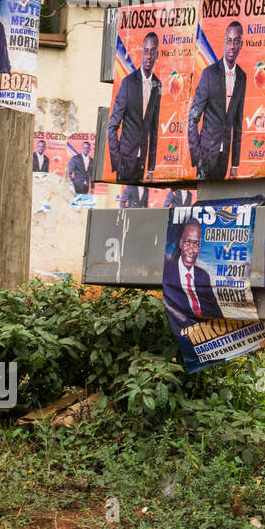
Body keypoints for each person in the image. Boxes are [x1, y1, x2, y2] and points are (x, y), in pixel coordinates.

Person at [188, 21, 247, 180]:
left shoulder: (242, 76)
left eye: (236, 41)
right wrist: (197, 156)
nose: (232, 46)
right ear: (224, 42)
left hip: (224, 159)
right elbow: (192, 118)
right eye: (229, 40)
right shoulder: (209, 74)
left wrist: (235, 164)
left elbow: (238, 124)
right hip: (205, 157)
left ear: (241, 45)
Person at [107, 32, 162, 183]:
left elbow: (154, 130)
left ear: (157, 55)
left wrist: (151, 168)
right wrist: (117, 162)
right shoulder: (128, 83)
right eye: (146, 51)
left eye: (152, 52)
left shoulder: (157, 85)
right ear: (141, 52)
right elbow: (112, 126)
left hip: (142, 164)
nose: (149, 56)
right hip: (125, 162)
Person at [162, 220, 222, 322]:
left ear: (199, 248)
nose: (191, 249)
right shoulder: (168, 271)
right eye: (187, 242)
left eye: (196, 244)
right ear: (181, 243)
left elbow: (215, 311)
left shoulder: (203, 276)